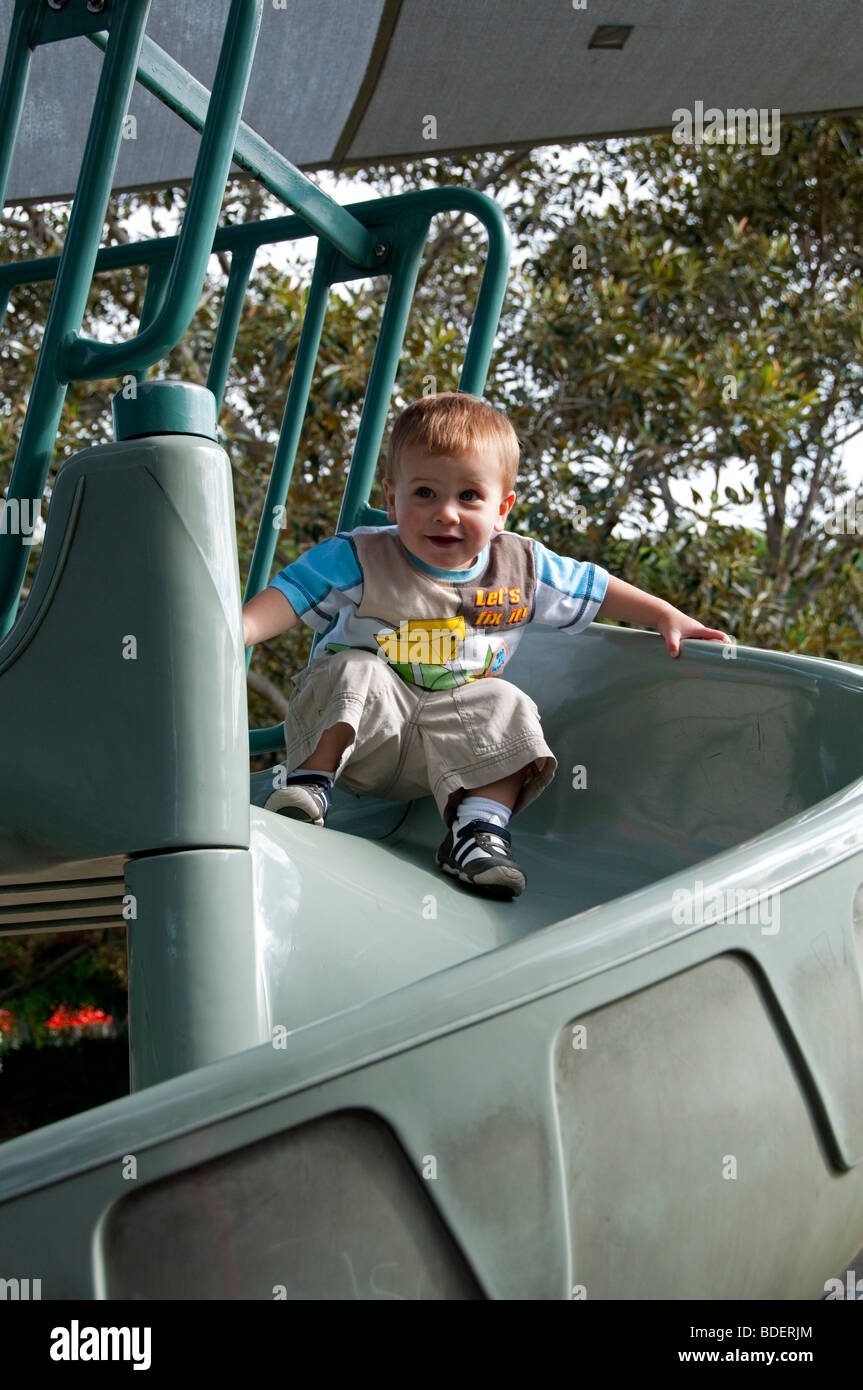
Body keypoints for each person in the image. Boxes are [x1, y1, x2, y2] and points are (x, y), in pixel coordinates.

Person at [242, 392, 731, 899]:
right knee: (355, 668)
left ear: (502, 509)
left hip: (447, 755)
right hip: (362, 736)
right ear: (393, 499)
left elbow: (594, 586)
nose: (446, 514)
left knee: (507, 702)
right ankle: (308, 785)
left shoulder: (522, 567)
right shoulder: (363, 555)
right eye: (425, 493)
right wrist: (241, 631)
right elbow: (292, 594)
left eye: (469, 496)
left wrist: (664, 614)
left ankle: (477, 831)